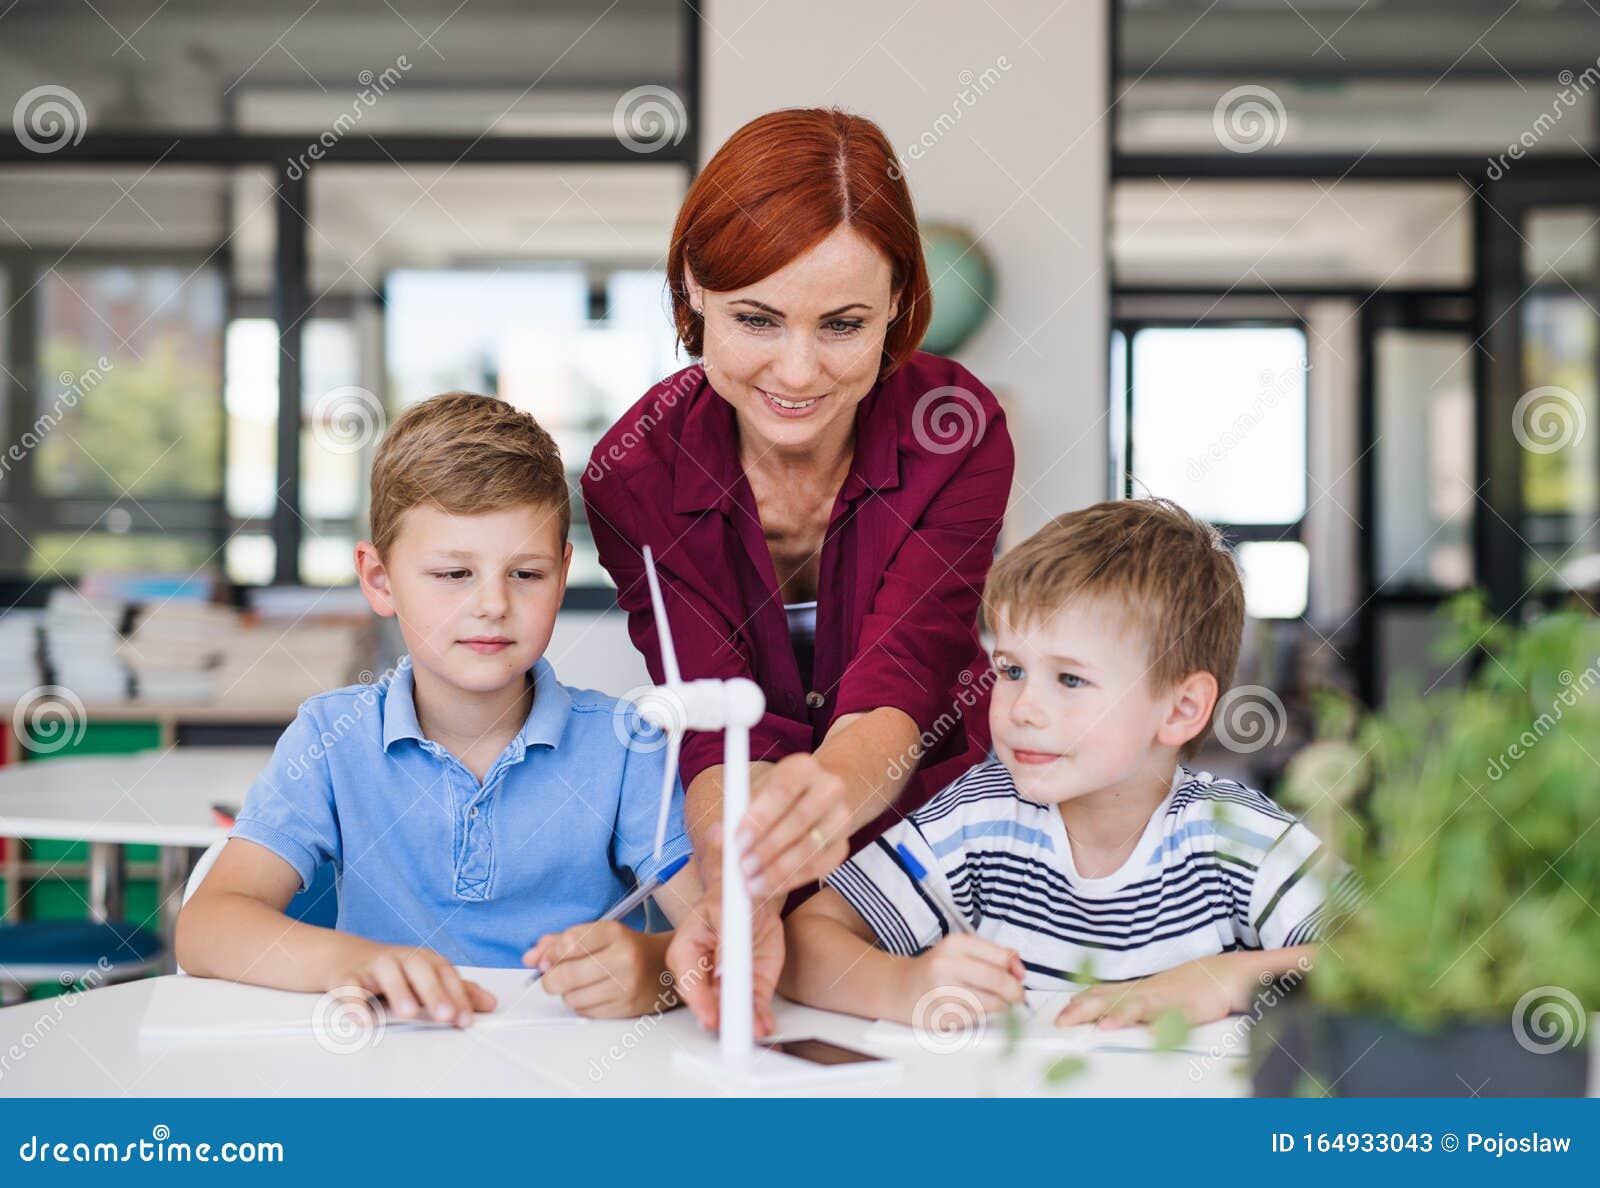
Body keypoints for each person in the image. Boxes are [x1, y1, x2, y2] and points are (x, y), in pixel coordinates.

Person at [583, 107, 1014, 1034]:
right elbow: (711, 718)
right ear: (694, 291)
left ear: (898, 301)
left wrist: (807, 828)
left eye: (844, 324)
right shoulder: (636, 475)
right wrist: (743, 890)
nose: (799, 369)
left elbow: (909, 668)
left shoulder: (957, 430)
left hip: (945, 839)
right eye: (758, 318)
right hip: (748, 847)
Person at [177, 392, 701, 1027]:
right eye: (454, 574)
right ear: (379, 580)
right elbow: (205, 927)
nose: (491, 605)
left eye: (526, 574)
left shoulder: (626, 746)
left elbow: (726, 939)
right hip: (382, 1081)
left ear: (563, 576)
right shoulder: (331, 736)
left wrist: (656, 969)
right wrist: (356, 962)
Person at [779, 499, 1349, 1029]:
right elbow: (805, 938)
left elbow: (1388, 960)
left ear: (1180, 709)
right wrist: (905, 985)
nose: (1023, 709)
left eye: (1070, 679)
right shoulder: (979, 818)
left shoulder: (1238, 838)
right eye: (1012, 670)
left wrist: (1220, 979)